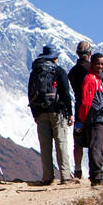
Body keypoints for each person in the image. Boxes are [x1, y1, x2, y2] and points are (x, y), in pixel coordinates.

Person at [27, 44, 74, 185]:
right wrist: (70, 113)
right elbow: (66, 94)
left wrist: (35, 113)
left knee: (45, 146)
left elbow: (30, 93)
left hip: (40, 112)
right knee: (61, 143)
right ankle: (65, 176)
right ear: (55, 58)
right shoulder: (59, 71)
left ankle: (48, 177)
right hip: (57, 112)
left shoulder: (35, 72)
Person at [67, 40, 103, 181]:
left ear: (77, 53)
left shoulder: (72, 72)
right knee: (94, 143)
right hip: (91, 110)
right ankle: (96, 174)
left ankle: (77, 170)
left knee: (78, 141)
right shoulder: (91, 72)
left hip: (79, 108)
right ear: (90, 54)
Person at [76, 52, 103, 186]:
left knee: (99, 146)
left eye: (102, 64)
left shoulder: (98, 79)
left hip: (99, 118)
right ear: (91, 64)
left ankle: (98, 175)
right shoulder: (91, 79)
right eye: (97, 64)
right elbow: (86, 102)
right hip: (95, 118)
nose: (100, 66)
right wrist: (83, 118)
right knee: (96, 147)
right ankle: (96, 177)